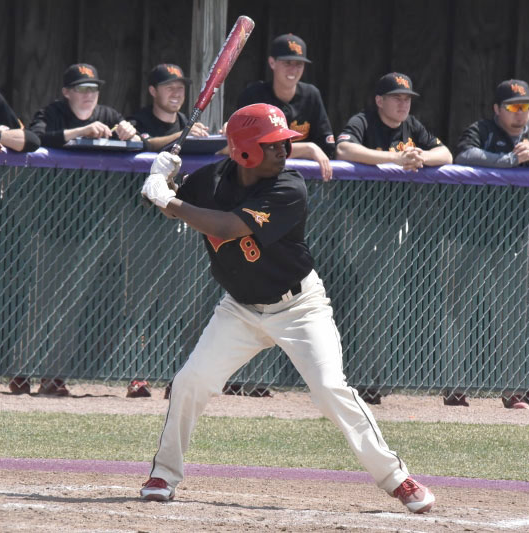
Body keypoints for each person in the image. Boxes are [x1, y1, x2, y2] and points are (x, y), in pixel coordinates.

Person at [137, 103, 435, 514]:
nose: (284, 150)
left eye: (284, 143)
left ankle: (397, 478)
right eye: (272, 144)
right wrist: (159, 177)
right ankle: (163, 475)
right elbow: (158, 203)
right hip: (239, 310)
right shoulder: (211, 180)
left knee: (331, 388)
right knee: (190, 382)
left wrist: (167, 199)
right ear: (243, 152)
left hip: (299, 308)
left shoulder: (289, 188)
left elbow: (223, 228)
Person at [236, 34, 335, 181]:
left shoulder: (311, 95)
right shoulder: (254, 95)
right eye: (287, 63)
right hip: (258, 179)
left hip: (303, 180)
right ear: (272, 63)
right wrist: (308, 149)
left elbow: (327, 148)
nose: (293, 70)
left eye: (299, 64)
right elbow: (244, 146)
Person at [335, 72, 452, 169]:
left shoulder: (412, 124)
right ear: (379, 101)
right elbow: (342, 150)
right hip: (368, 194)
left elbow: (446, 155)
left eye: (407, 99)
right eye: (397, 98)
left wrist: (419, 157)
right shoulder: (363, 121)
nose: (404, 104)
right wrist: (395, 158)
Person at [29, 63, 139, 148]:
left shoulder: (109, 115)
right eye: (82, 88)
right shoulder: (49, 113)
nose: (89, 94)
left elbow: (144, 143)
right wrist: (81, 132)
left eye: (94, 88)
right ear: (66, 92)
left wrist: (131, 134)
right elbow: (34, 139)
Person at [130, 63, 208, 151]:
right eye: (169, 88)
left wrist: (225, 136)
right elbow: (147, 144)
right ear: (153, 91)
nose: (176, 94)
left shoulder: (186, 122)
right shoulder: (137, 122)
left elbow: (215, 153)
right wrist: (182, 135)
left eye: (180, 88)